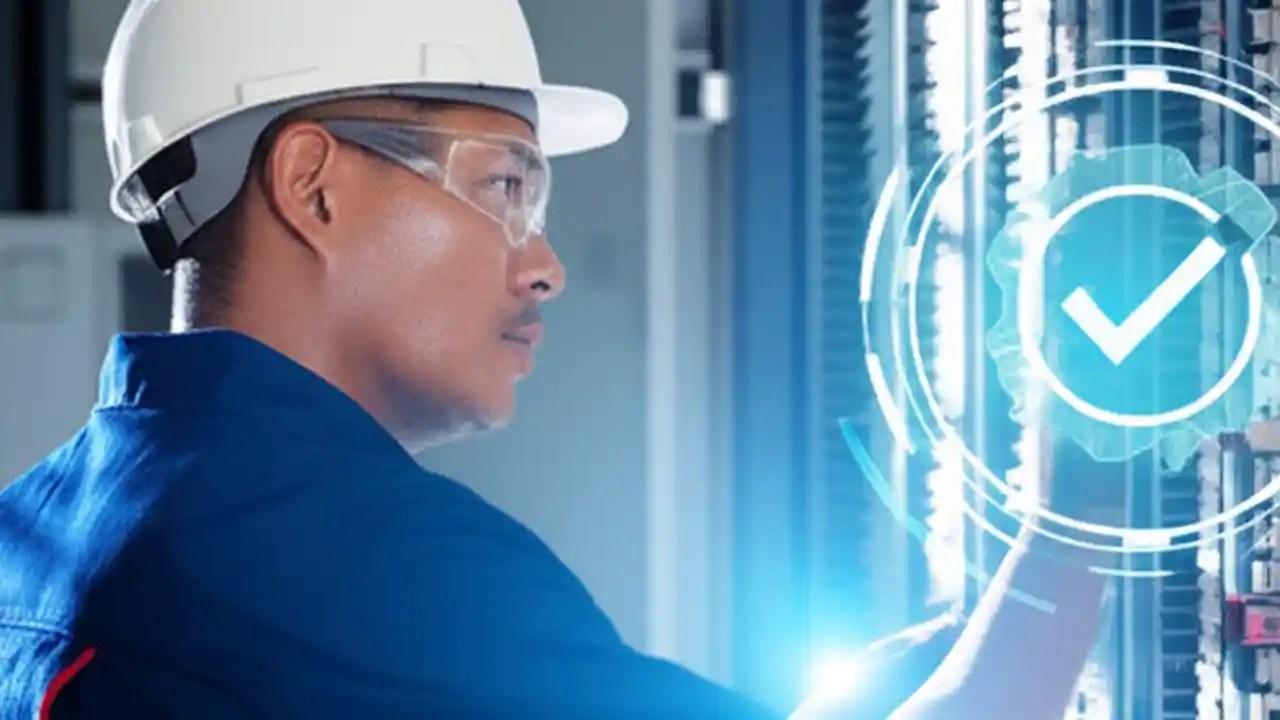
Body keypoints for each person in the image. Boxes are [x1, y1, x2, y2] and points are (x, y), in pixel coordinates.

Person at [0, 1, 1111, 718]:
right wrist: (1088, 496)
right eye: (502, 186)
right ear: (313, 185)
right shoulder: (360, 562)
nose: (542, 265)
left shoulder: (38, 535)